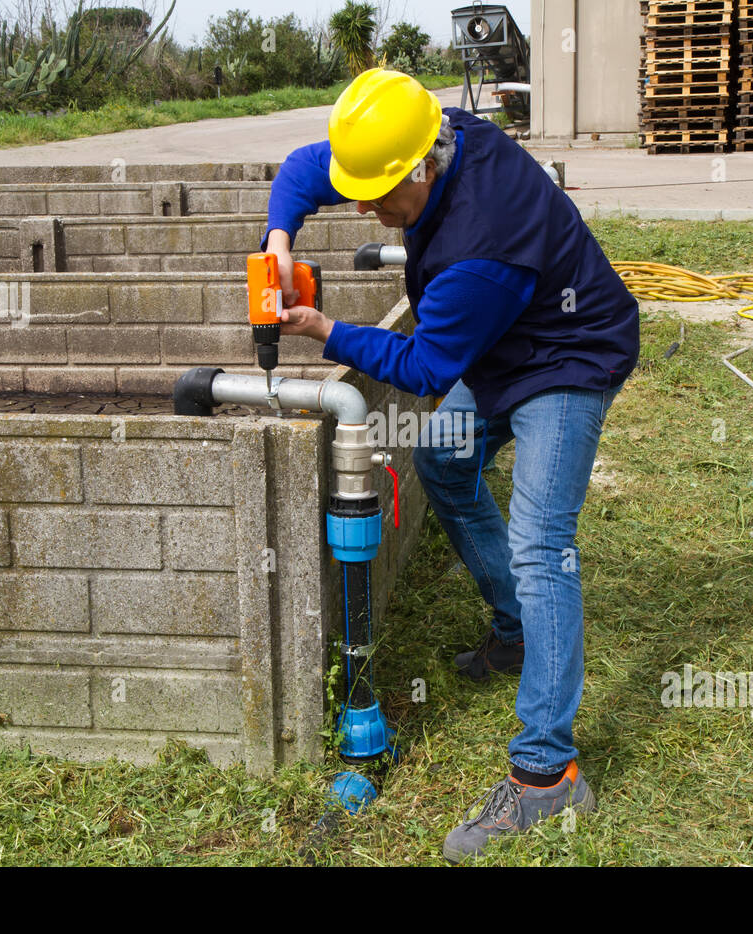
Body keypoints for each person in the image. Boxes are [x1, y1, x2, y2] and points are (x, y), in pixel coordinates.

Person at [260, 68, 639, 863]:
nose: (363, 207)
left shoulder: (483, 243)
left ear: (424, 168)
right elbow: (304, 172)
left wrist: (325, 330)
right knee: (444, 461)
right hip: (505, 345)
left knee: (542, 543)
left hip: (568, 358)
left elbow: (429, 366)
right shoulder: (422, 135)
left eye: (379, 195)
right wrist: (279, 244)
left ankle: (547, 774)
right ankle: (516, 630)